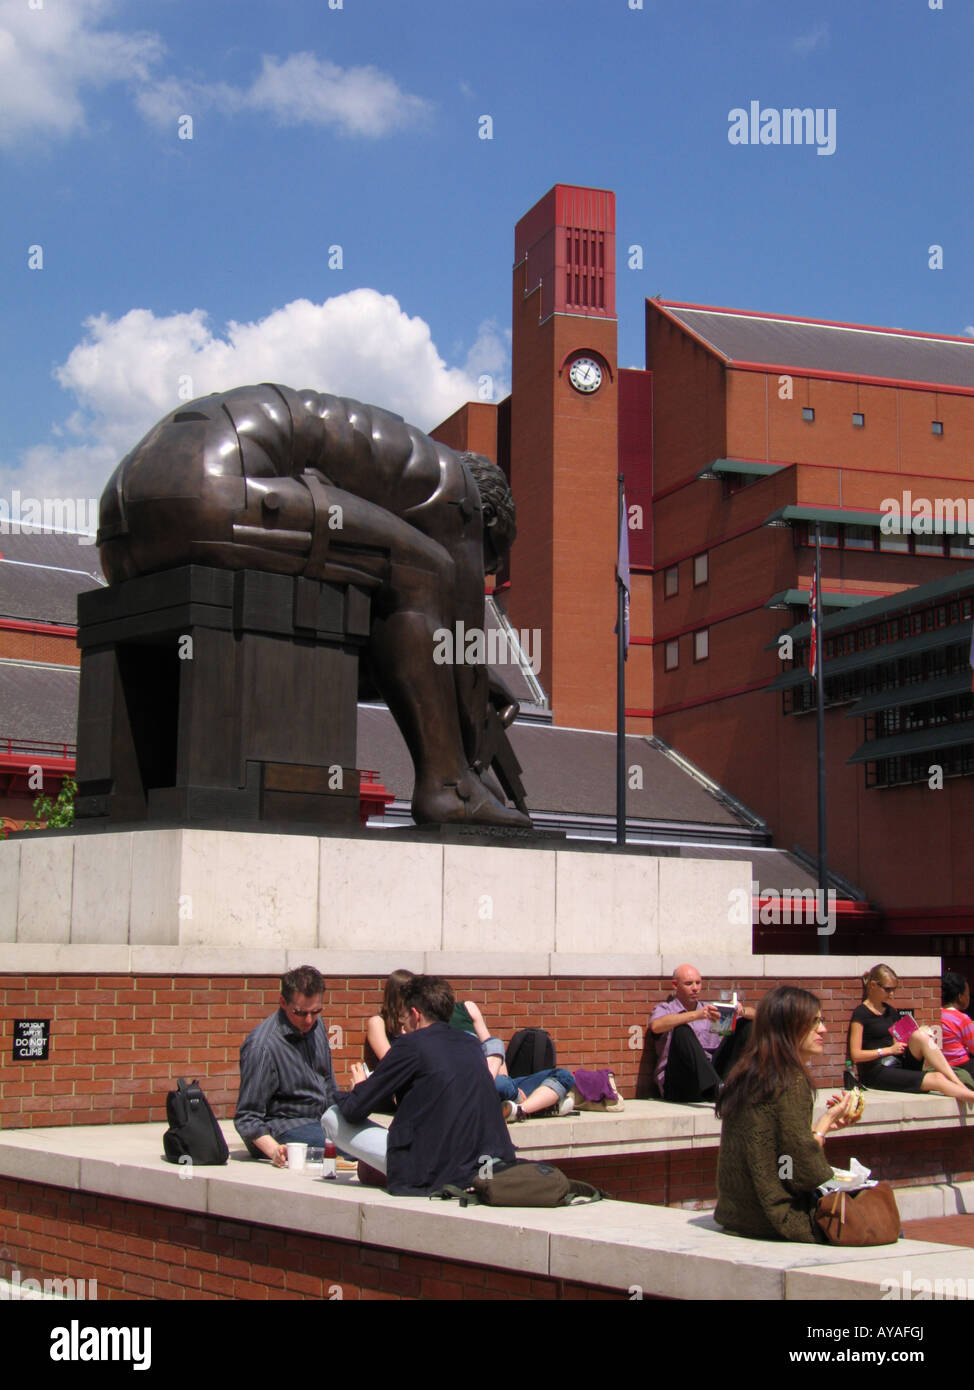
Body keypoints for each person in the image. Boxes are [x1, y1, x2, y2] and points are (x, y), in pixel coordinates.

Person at [97, 384, 528, 828]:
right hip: (216, 490)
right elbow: (461, 640)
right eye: (485, 557)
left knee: (406, 569)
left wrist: (450, 674)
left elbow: (405, 647)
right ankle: (448, 788)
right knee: (426, 571)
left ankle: (117, 799)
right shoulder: (458, 491)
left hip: (123, 517)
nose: (478, 570)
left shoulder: (406, 462)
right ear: (487, 520)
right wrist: (476, 711)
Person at [323, 975, 515, 1195]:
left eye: (404, 1020)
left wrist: (359, 1087)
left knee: (332, 1116)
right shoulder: (471, 1044)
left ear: (416, 1015)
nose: (403, 1028)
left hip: (434, 1173)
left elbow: (354, 1109)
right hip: (485, 1165)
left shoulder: (410, 1045)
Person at [715, 985, 862, 1242]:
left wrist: (824, 1123)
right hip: (774, 1217)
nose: (823, 1030)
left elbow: (779, 1155)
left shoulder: (748, 1072)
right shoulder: (790, 1079)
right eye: (814, 1022)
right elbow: (796, 1169)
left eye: (822, 1020)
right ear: (788, 1027)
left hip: (735, 1213)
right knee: (871, 1211)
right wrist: (821, 1131)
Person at [234, 964, 341, 1166]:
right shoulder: (262, 1047)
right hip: (282, 1127)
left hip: (320, 1120)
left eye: (316, 1011)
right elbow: (247, 1117)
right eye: (300, 1013)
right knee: (344, 1147)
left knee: (377, 1139)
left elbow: (327, 1082)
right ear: (283, 1002)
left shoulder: (317, 1026)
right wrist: (274, 1150)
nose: (309, 1020)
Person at [849, 964, 974, 1101]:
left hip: (898, 1064)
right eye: (888, 989)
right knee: (936, 1078)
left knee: (920, 1036)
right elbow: (856, 1055)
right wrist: (888, 1050)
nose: (892, 994)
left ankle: (957, 1082)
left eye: (894, 989)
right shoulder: (861, 1013)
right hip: (877, 1071)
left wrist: (918, 1035)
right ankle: (969, 1095)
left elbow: (901, 1042)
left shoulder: (891, 1011)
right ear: (873, 986)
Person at [649, 964, 755, 1102]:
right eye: (689, 984)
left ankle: (732, 1085)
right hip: (680, 1081)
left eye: (698, 983)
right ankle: (717, 1087)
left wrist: (741, 1011)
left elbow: (760, 1016)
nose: (695, 988)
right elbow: (656, 1026)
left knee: (746, 1024)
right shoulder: (666, 1009)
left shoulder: (711, 1008)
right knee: (681, 1030)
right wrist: (696, 1015)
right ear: (675, 985)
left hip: (712, 1076)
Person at [941, 972, 974, 1090]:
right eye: (968, 995)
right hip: (962, 1066)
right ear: (960, 997)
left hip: (942, 1066)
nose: (969, 998)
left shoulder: (936, 1015)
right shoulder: (962, 1019)